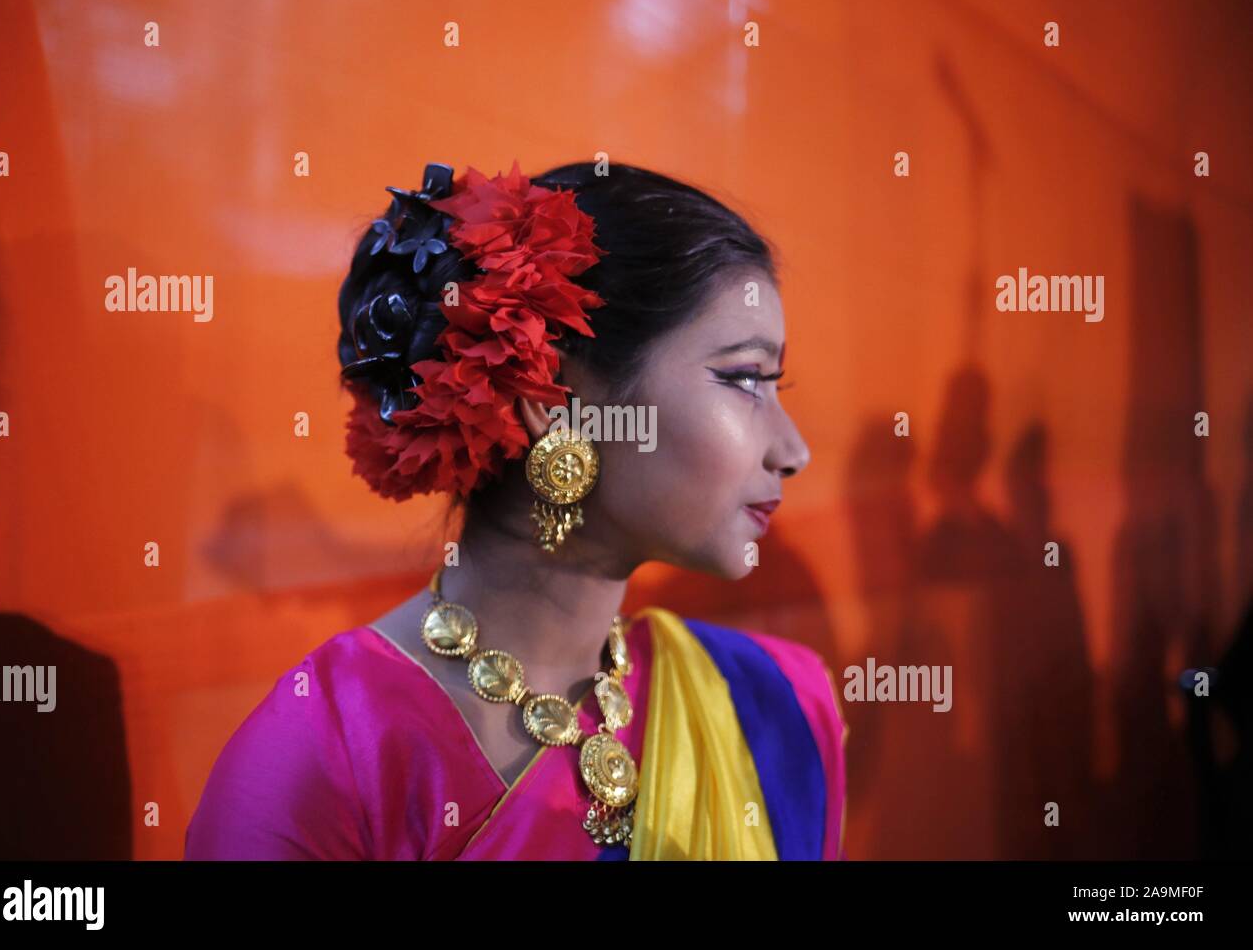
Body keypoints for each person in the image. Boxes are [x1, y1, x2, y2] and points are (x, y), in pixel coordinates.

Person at [184, 160, 847, 860]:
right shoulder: (329, 754)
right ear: (551, 396)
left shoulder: (777, 707)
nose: (793, 449)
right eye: (743, 379)